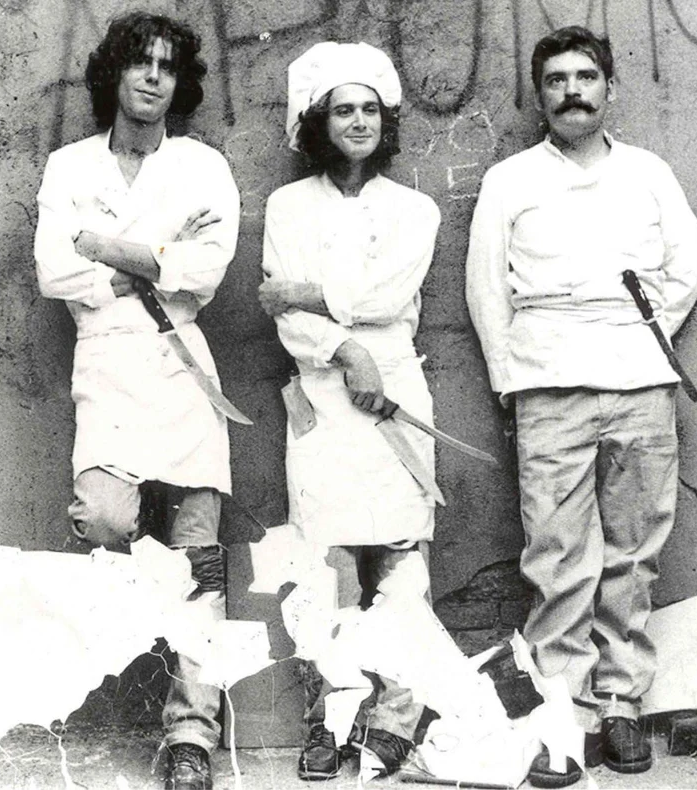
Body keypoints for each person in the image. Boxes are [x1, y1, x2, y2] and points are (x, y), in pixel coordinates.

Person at [465, 25, 697, 789]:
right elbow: (486, 293)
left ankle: (623, 706)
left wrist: (632, 338)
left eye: (586, 77)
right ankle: (561, 718)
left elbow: (683, 271)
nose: (573, 90)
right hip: (547, 390)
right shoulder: (510, 181)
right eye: (557, 79)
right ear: (540, 96)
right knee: (558, 561)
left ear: (609, 87)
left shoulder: (649, 174)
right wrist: (516, 379)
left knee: (633, 555)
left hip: (639, 386)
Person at [33, 12, 240, 790]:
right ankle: (141, 624)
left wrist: (109, 250)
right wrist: (155, 258)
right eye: (139, 64)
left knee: (199, 561)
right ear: (114, 76)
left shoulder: (201, 167)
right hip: (110, 366)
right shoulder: (69, 166)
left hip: (182, 366)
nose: (153, 77)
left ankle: (191, 736)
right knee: (106, 518)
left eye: (166, 67)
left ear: (180, 83)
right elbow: (54, 272)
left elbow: (208, 270)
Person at [257, 41, 441, 781]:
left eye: (370, 109)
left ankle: (397, 715)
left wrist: (310, 293)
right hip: (322, 395)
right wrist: (345, 349)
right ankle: (328, 720)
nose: (358, 122)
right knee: (324, 563)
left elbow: (390, 298)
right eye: (343, 110)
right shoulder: (285, 206)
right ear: (317, 122)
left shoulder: (414, 210)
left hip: (395, 390)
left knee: (400, 556)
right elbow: (282, 316)